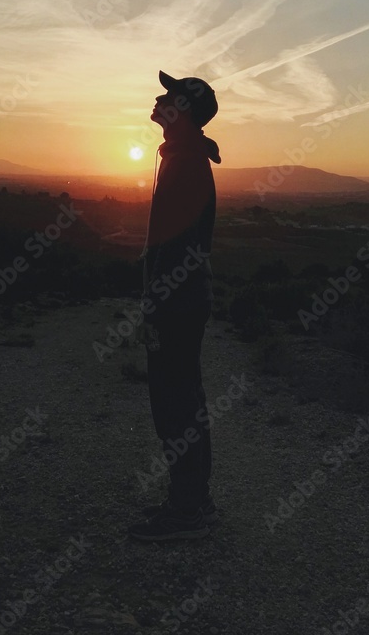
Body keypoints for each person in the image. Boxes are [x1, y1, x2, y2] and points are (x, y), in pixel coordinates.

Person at [127, 70, 221, 542]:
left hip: (177, 303)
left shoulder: (185, 163)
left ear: (182, 110)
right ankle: (192, 502)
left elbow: (178, 248)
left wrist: (156, 306)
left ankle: (186, 511)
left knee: (175, 405)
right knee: (184, 400)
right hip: (181, 301)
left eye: (169, 94)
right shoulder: (181, 158)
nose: (159, 97)